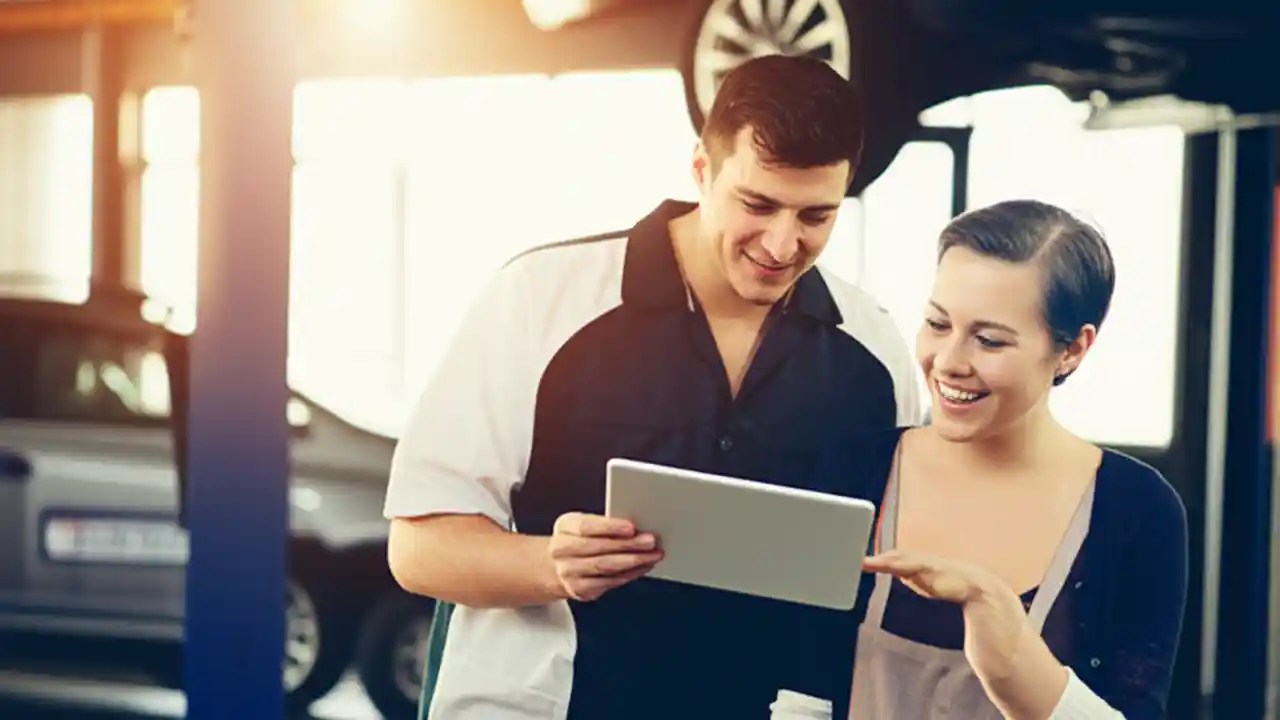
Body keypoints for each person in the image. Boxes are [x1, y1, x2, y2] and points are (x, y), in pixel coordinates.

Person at [382, 54, 924, 719]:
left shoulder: (876, 352)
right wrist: (553, 566)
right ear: (702, 168)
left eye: (816, 216)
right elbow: (419, 550)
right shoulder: (538, 300)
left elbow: (890, 571)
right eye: (757, 204)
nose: (783, 244)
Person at [801, 199, 1188, 720]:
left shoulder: (1138, 511)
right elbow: (800, 694)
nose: (949, 362)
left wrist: (1009, 653)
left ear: (1072, 350)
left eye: (988, 340)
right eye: (938, 324)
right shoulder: (851, 468)